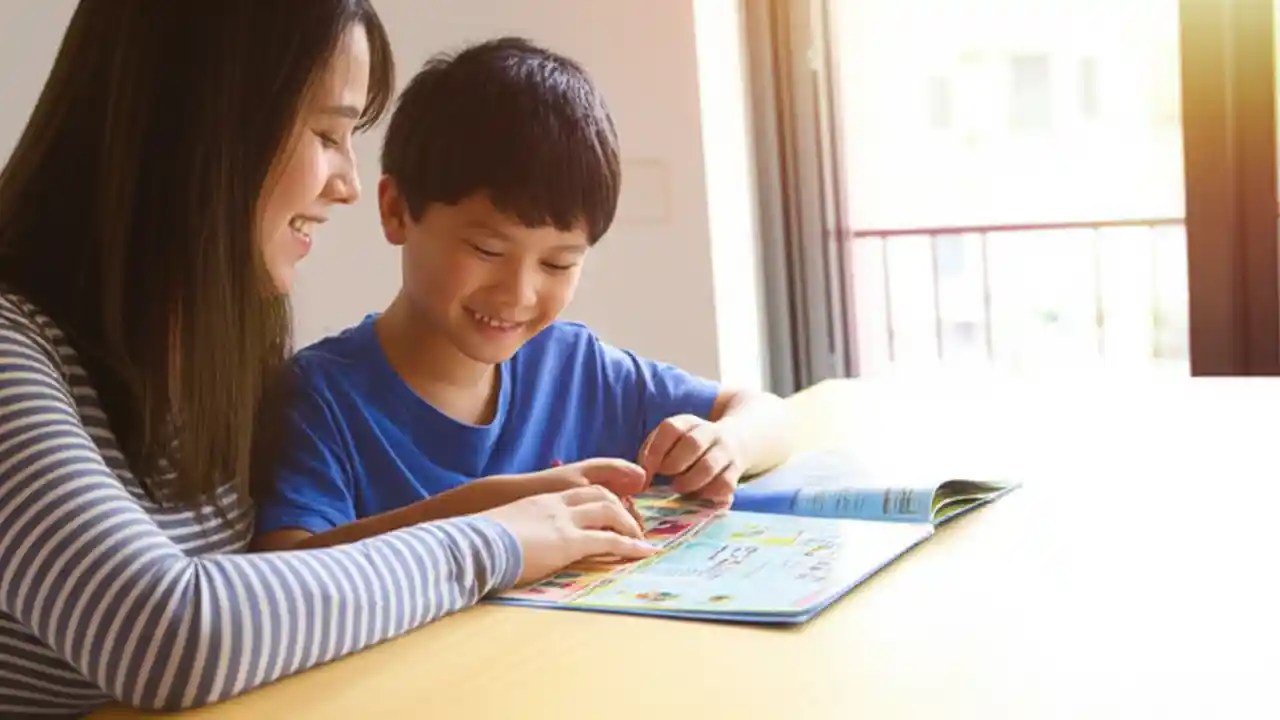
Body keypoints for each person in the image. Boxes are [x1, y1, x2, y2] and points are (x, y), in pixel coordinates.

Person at [0, 3, 652, 715]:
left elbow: (253, 585)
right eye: (327, 135)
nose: (344, 183)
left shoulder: (197, 345)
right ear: (202, 127)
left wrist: (489, 507)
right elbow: (168, 634)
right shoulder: (13, 351)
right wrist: (492, 541)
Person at [251, 38, 793, 553]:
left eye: (559, 262)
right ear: (396, 211)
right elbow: (282, 572)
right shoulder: (319, 397)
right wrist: (491, 516)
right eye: (487, 250)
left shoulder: (574, 367)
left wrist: (730, 445)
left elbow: (766, 413)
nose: (519, 292)